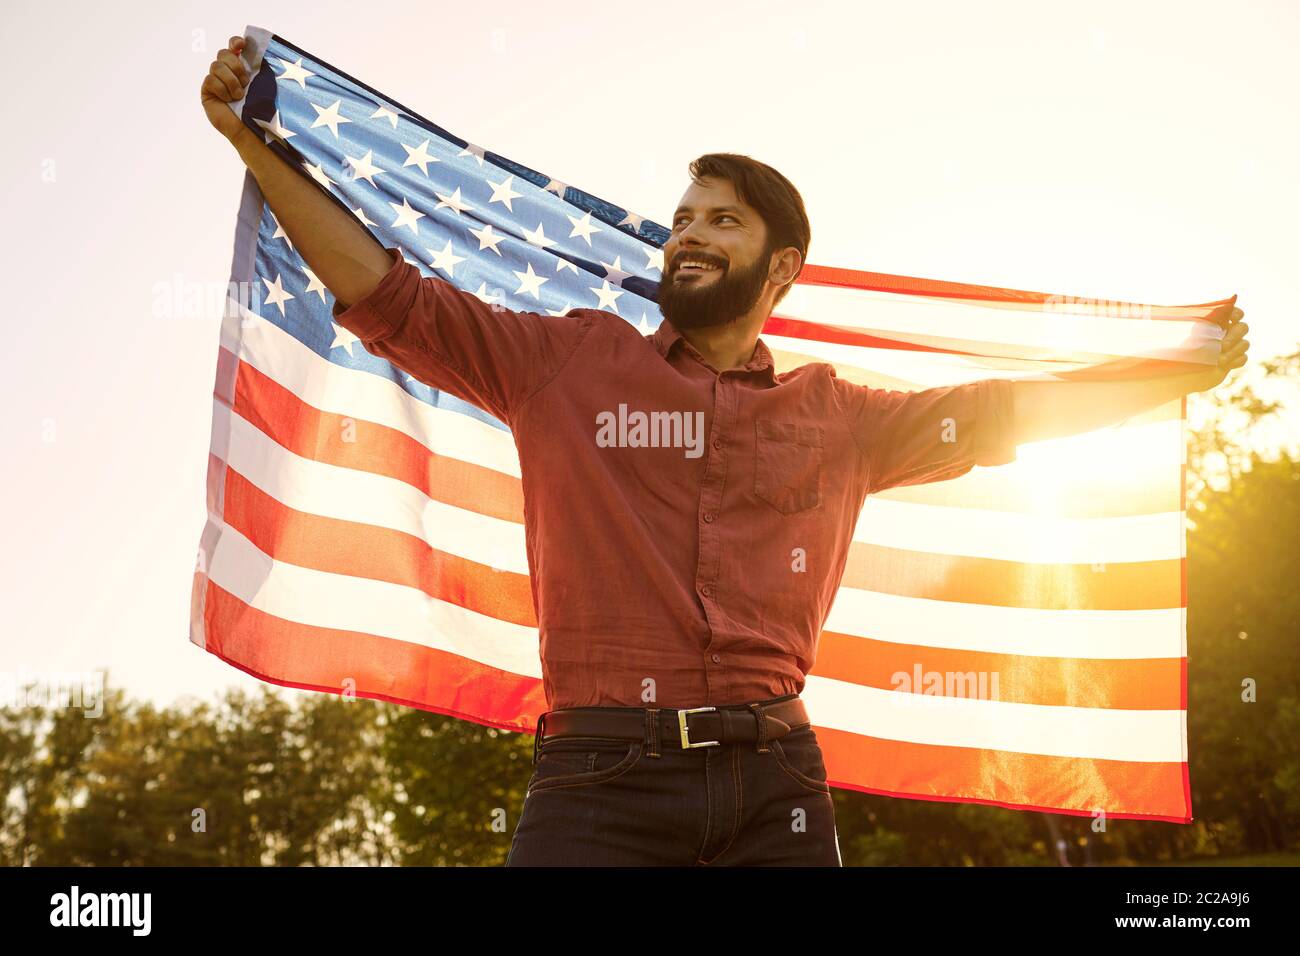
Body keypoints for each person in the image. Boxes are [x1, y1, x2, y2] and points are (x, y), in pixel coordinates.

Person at [200, 36, 1251, 866]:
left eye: (722, 221)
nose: (687, 235)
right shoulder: (566, 364)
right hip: (597, 781)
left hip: (775, 787)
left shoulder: (836, 414)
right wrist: (253, 143)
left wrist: (1165, 374)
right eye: (680, 220)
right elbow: (389, 297)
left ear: (780, 264)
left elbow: (991, 415)